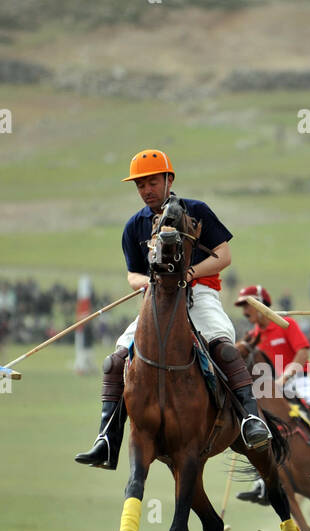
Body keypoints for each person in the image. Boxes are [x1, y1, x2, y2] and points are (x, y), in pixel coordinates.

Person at [75, 149, 271, 468]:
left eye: (152, 182)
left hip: (200, 293)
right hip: (158, 301)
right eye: (140, 185)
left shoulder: (196, 211)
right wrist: (147, 283)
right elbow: (132, 274)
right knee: (115, 360)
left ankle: (250, 420)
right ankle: (107, 439)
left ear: (169, 179)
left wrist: (190, 273)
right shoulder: (134, 226)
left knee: (223, 347)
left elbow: (224, 255)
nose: (146, 190)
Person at [233, 284, 310, 504]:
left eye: (247, 306)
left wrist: (284, 378)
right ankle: (263, 481)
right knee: (256, 426)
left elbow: (302, 353)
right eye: (242, 307)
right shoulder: (252, 337)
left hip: (298, 381)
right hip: (268, 391)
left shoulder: (286, 324)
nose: (244, 311)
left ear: (261, 305)